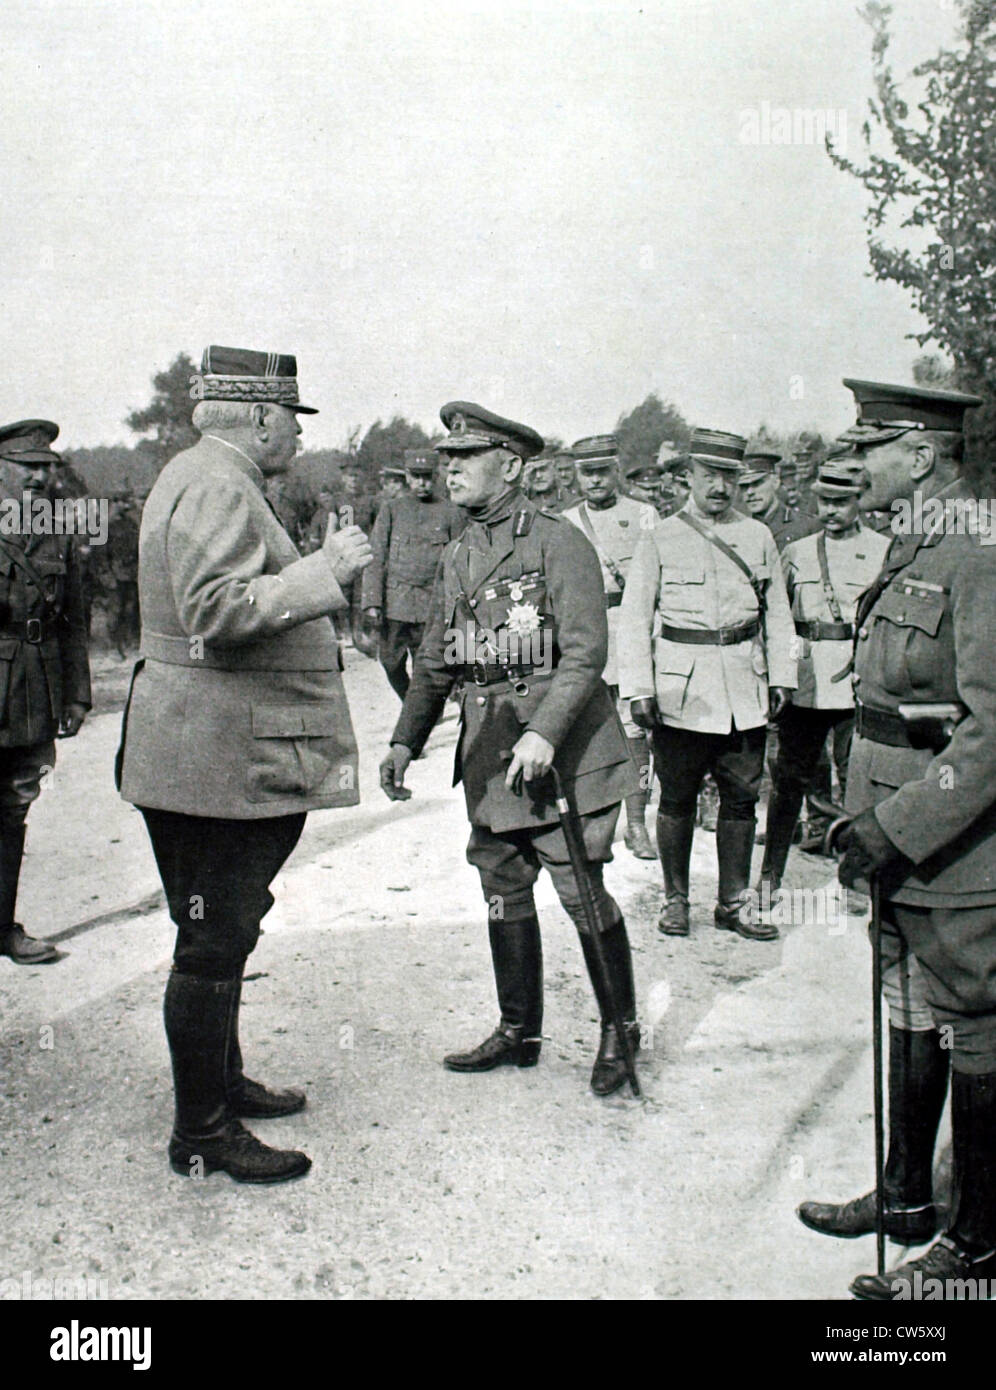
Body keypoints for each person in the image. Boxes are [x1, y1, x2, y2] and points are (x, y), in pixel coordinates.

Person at [118, 345, 372, 1184]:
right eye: (293, 421)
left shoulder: (199, 474)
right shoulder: (219, 482)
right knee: (212, 940)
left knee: (220, 931)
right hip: (214, 763)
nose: (297, 436)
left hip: (205, 755)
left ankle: (219, 1088)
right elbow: (215, 612)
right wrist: (323, 573)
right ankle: (202, 1132)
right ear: (262, 417)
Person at [797, 378, 996, 1300]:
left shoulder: (979, 548)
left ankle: (979, 1247)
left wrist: (900, 823)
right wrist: (865, 816)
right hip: (890, 824)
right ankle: (909, 1197)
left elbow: (991, 727)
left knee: (976, 1025)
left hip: (954, 839)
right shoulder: (914, 538)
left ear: (920, 458)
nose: (854, 463)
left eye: (870, 447)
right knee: (907, 1003)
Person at [379, 401, 641, 1097]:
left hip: (562, 748)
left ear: (515, 465)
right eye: (447, 458)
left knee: (580, 889)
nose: (451, 469)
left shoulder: (558, 541)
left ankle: (621, 1030)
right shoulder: (459, 551)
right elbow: (436, 660)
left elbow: (585, 653)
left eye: (466, 457)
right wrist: (406, 739)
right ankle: (519, 1029)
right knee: (500, 882)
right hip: (491, 750)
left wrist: (544, 731)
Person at [617, 428, 797, 942]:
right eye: (709, 475)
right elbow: (634, 618)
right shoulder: (660, 536)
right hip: (682, 694)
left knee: (741, 799)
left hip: (745, 689)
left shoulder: (758, 537)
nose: (719, 486)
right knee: (676, 798)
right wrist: (639, 688)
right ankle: (676, 900)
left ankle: (733, 902)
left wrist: (783, 674)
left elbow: (777, 613)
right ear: (689, 477)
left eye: (729, 477)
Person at [758, 456, 889, 892]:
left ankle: (857, 880)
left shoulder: (882, 549)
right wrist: (784, 671)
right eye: (825, 502)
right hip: (809, 678)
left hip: (858, 681)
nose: (832, 511)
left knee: (858, 780)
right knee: (788, 777)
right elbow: (781, 619)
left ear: (859, 501)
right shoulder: (796, 552)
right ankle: (770, 874)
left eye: (842, 502)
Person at [0, 420, 90, 965]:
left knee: (13, 807)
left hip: (34, 682)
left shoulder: (58, 528)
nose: (38, 477)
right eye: (25, 467)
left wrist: (76, 693)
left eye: (44, 467)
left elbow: (75, 617)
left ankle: (3, 928)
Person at [560, 434, 657, 859]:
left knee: (636, 730)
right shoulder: (565, 521)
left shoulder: (644, 514)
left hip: (632, 628)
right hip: (584, 631)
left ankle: (637, 824)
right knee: (587, 729)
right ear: (578, 475)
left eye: (603, 471)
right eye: (587, 472)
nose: (596, 480)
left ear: (617, 470)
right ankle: (594, 827)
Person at [360, 448, 464, 699]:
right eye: (416, 476)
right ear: (407, 476)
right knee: (390, 661)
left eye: (427, 477)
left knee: (426, 663)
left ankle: (420, 708)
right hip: (396, 601)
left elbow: (459, 561)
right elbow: (376, 557)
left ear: (436, 477)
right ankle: (411, 701)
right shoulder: (391, 510)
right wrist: (372, 601)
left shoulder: (450, 512)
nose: (422, 483)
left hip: (432, 603)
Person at [738, 447, 821, 550]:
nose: (749, 492)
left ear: (776, 482)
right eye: (744, 486)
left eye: (757, 483)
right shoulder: (741, 530)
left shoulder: (807, 525)